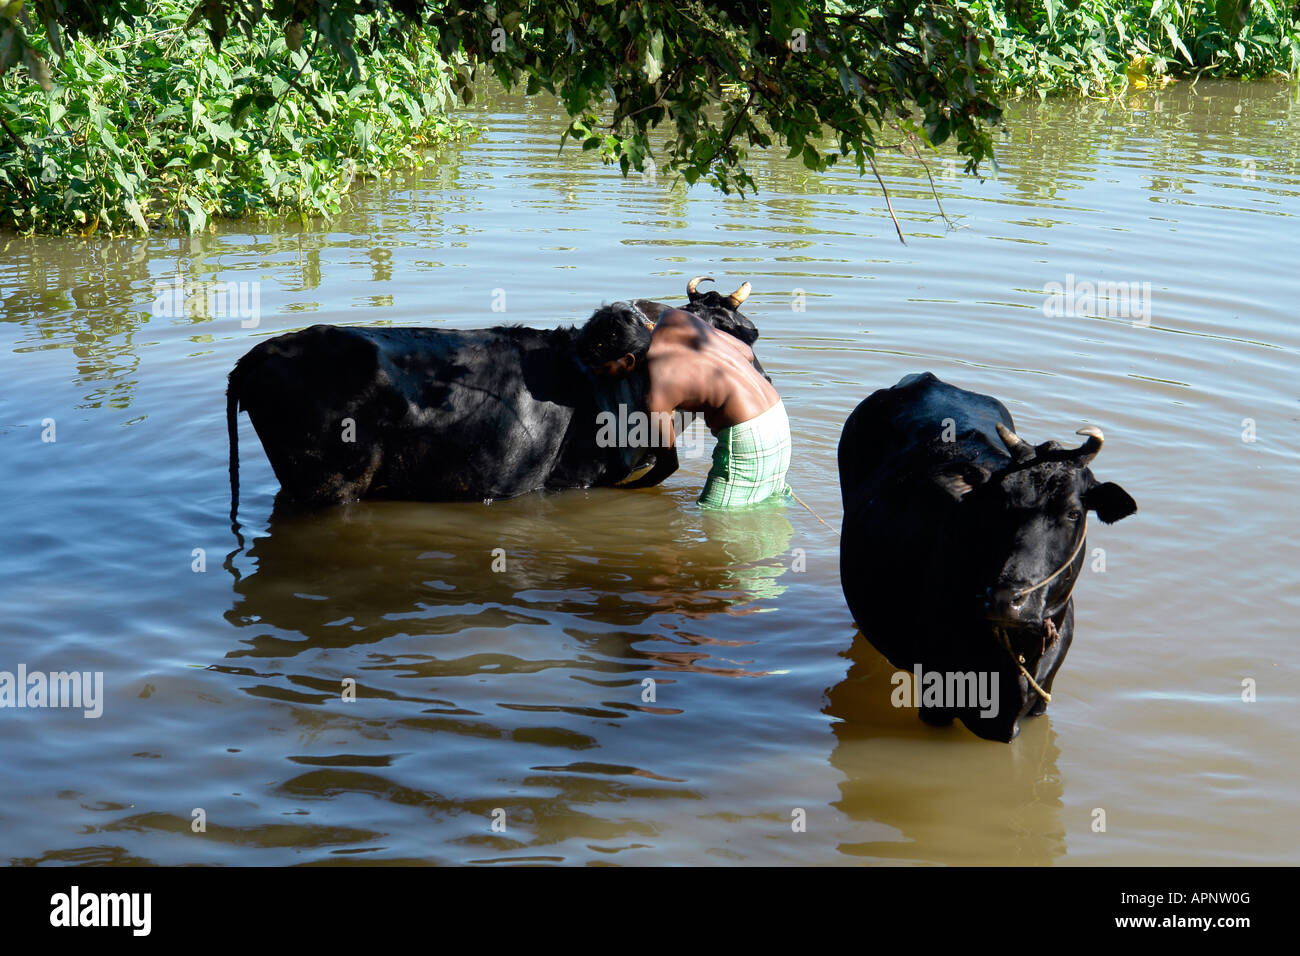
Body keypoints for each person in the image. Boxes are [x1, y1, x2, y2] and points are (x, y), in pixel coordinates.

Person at [576, 301, 791, 509]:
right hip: (778, 416)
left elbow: (668, 466)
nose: (598, 374)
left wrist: (622, 491)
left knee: (716, 521)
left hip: (747, 441)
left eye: (604, 369)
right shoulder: (675, 317)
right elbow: (747, 352)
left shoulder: (656, 395)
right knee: (769, 506)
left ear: (630, 361)